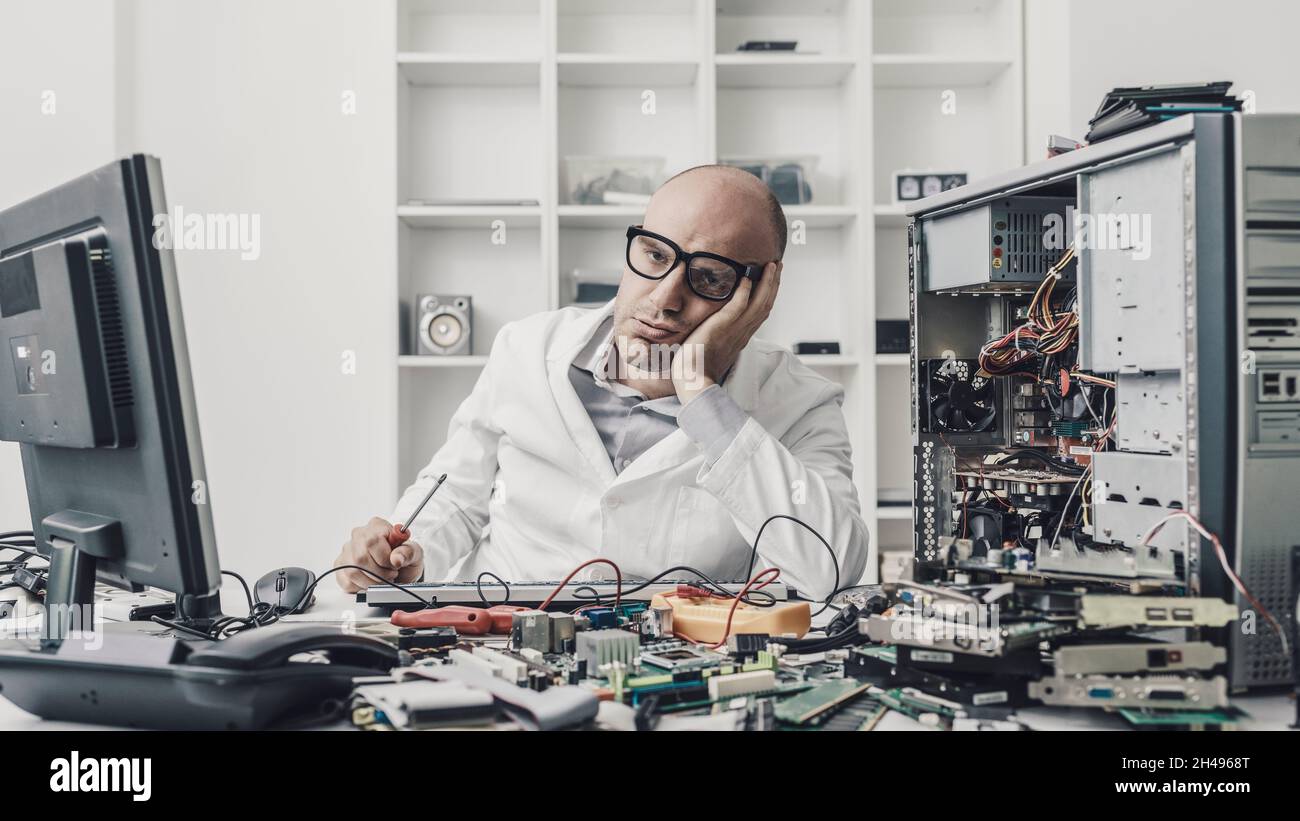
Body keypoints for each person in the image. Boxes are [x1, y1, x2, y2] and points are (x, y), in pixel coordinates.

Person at [335, 165, 868, 599]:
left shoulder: (801, 403)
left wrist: (703, 398)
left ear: (759, 294)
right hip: (500, 642)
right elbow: (452, 498)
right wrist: (402, 554)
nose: (665, 298)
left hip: (679, 669)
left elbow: (828, 567)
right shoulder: (525, 349)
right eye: (656, 255)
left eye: (709, 277)